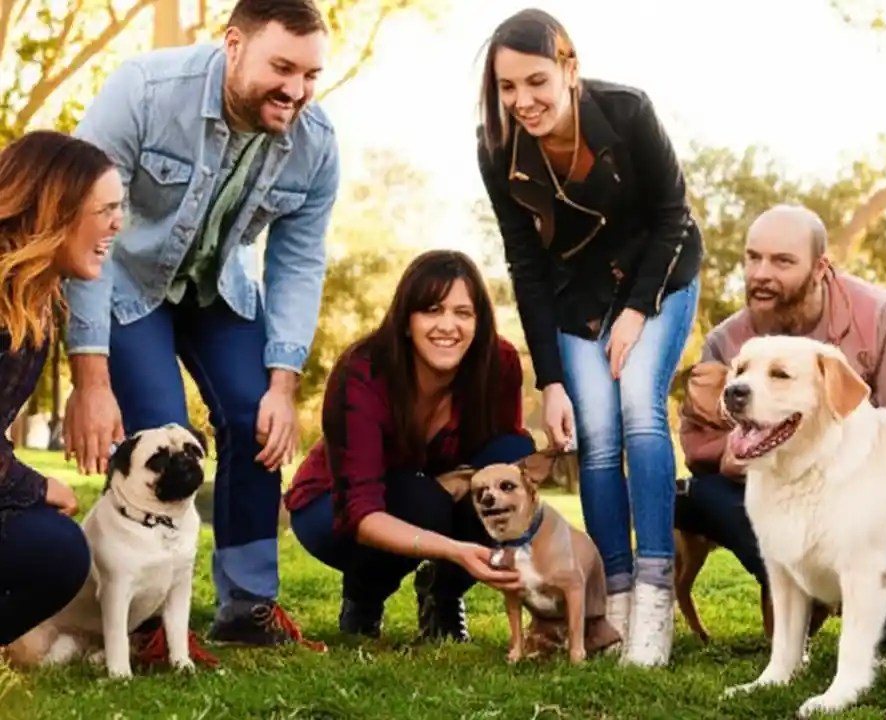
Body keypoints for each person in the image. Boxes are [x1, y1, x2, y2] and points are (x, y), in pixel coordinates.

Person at [60, 0, 339, 646]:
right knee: (165, 433)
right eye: (282, 67)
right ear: (233, 44)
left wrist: (283, 382)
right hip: (127, 286)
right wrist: (91, 376)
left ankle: (247, 608)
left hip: (219, 290)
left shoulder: (316, 145)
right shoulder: (144, 92)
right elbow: (80, 222)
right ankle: (150, 621)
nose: (296, 90)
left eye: (311, 75)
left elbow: (299, 261)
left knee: (254, 418)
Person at [475, 8, 702, 667]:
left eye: (536, 82)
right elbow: (526, 264)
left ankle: (656, 600)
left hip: (657, 276)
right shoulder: (496, 148)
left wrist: (638, 310)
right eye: (507, 87)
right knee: (594, 438)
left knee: (638, 413)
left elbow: (673, 216)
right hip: (577, 298)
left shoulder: (628, 112)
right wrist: (550, 380)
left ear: (569, 69)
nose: (522, 101)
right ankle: (617, 602)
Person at [675, 204, 886, 665]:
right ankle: (799, 599)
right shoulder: (726, 340)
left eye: (781, 261)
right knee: (696, 494)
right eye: (752, 258)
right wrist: (745, 450)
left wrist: (822, 462)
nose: (760, 274)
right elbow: (699, 443)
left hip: (867, 490)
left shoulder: (885, 319)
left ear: (821, 268)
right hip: (767, 484)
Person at [284, 250, 529, 642]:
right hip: (331, 508)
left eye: (463, 313)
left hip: (429, 488)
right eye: (432, 310)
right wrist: (453, 547)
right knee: (422, 501)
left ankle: (443, 595)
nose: (448, 326)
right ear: (406, 321)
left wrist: (463, 485)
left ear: (479, 322)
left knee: (513, 462)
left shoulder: (497, 363)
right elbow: (360, 512)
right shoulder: (363, 371)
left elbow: (501, 452)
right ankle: (363, 600)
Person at [0, 130, 122, 648]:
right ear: (56, 209)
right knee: (52, 549)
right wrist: (34, 486)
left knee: (52, 545)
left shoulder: (36, 305)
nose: (118, 224)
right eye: (105, 210)